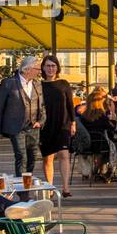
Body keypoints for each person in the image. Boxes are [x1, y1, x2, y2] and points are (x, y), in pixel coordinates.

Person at [0, 55, 45, 176]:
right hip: (16, 127)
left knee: (32, 157)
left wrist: (41, 121)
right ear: (27, 69)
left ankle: (27, 181)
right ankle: (22, 190)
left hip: (34, 127)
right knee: (21, 156)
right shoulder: (9, 83)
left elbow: (42, 106)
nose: (39, 71)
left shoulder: (37, 84)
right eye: (37, 69)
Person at [39, 55, 76, 198]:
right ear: (43, 67)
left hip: (63, 124)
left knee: (64, 154)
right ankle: (50, 189)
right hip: (46, 126)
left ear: (57, 68)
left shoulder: (64, 84)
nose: (50, 68)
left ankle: (66, 188)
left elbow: (70, 104)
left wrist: (73, 122)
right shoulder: (39, 85)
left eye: (53, 66)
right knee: (48, 158)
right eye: (48, 66)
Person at [79, 86, 117, 182]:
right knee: (115, 147)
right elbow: (112, 128)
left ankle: (97, 171)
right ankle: (99, 171)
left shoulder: (83, 116)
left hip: (86, 145)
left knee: (103, 148)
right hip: (101, 145)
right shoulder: (101, 115)